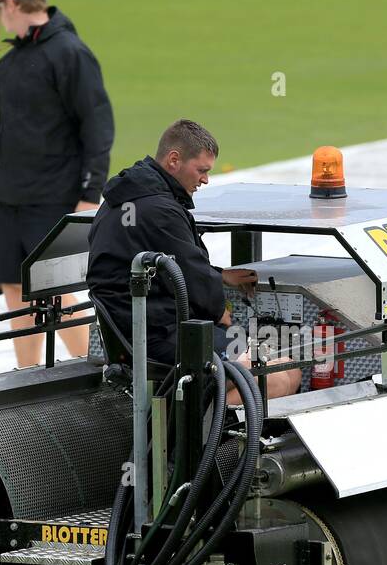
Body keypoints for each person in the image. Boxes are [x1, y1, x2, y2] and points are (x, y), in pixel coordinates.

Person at [0, 0, 114, 366]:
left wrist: (89, 193)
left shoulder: (70, 54)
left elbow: (97, 126)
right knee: (13, 284)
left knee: (56, 287)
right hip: (11, 196)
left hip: (52, 196)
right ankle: (26, 375)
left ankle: (94, 373)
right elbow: (4, 135)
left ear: (10, 4)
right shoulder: (10, 65)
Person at [86, 119, 300, 401]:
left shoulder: (128, 196)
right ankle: (187, 430)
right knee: (282, 374)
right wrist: (218, 310)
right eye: (202, 170)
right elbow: (192, 280)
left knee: (277, 368)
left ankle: (194, 420)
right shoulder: (160, 209)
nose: (205, 179)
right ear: (174, 160)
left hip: (135, 331)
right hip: (161, 337)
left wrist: (218, 274)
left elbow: (170, 263)